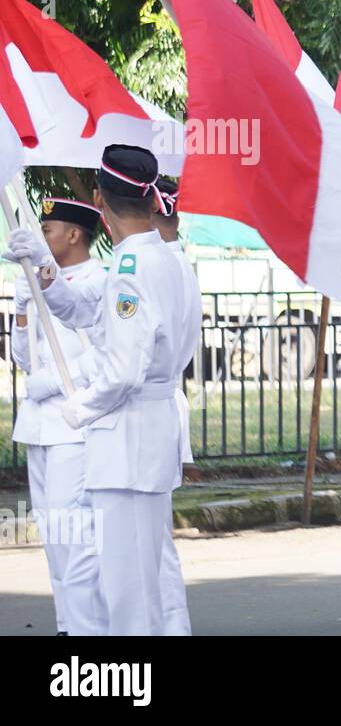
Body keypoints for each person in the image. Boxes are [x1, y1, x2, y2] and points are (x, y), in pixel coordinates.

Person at [6, 144, 199, 635]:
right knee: (143, 581)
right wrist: (45, 270)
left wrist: (79, 408)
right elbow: (80, 309)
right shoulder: (162, 260)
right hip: (143, 437)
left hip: (126, 441)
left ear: (100, 198)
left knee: (128, 591)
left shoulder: (131, 270)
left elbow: (122, 371)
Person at [10, 198, 107, 635]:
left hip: (72, 423)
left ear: (75, 235)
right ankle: (67, 623)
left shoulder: (98, 281)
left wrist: (52, 380)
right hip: (38, 425)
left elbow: (105, 353)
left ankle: (89, 626)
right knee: (52, 534)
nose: (40, 236)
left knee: (74, 533)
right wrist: (21, 306)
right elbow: (20, 355)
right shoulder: (37, 280)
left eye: (48, 229)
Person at [151, 177, 198, 636]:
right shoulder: (176, 262)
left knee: (154, 543)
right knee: (154, 540)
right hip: (163, 404)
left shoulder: (160, 265)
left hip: (151, 407)